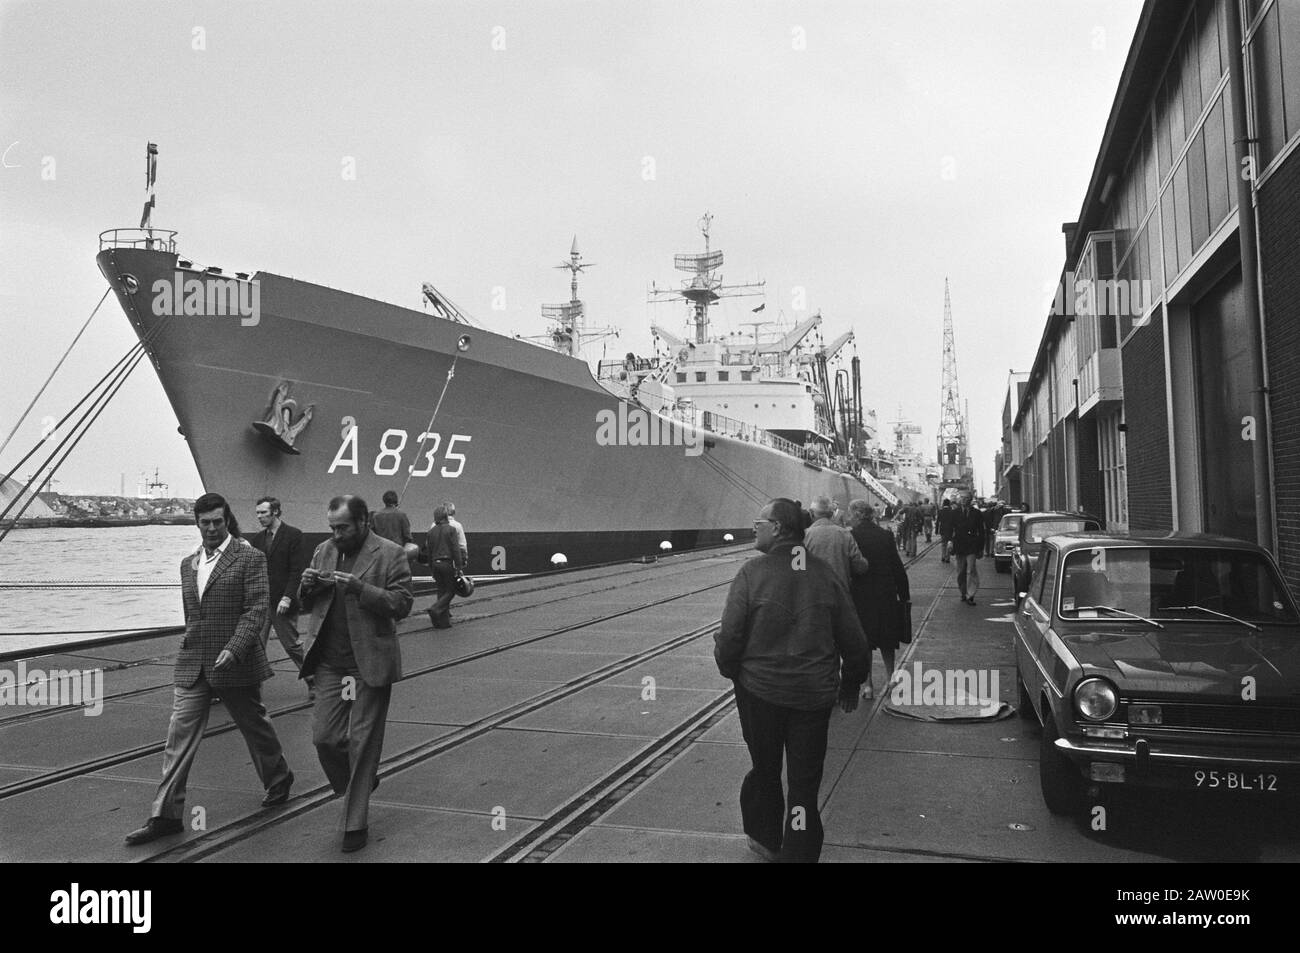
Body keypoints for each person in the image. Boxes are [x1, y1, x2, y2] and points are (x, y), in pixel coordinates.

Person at [125, 493, 294, 846]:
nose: (212, 528)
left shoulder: (250, 558)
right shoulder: (188, 564)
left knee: (254, 724)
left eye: (218, 521)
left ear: (226, 519)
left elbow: (257, 609)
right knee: (178, 738)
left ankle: (278, 777)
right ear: (197, 523)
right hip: (194, 664)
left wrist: (235, 647)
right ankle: (165, 815)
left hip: (235, 661)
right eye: (206, 523)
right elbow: (193, 617)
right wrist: (189, 646)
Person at [715, 498, 869, 863]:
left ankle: (766, 840)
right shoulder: (823, 575)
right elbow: (856, 643)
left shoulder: (752, 573)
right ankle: (799, 852)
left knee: (765, 771)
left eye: (760, 521)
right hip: (812, 698)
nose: (755, 527)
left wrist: (731, 669)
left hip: (760, 694)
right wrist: (850, 684)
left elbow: (731, 636)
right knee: (803, 784)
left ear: (779, 528)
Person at [299, 494, 413, 852]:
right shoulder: (324, 550)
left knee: (364, 743)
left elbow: (402, 603)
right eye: (332, 527)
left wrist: (360, 588)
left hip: (369, 664)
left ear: (364, 521)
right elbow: (307, 604)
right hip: (331, 664)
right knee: (325, 739)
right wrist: (306, 587)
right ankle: (360, 782)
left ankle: (354, 825)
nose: (336, 534)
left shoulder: (391, 553)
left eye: (343, 527)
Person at [847, 501, 911, 699]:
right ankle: (891, 677)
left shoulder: (851, 536)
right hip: (886, 592)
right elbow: (897, 566)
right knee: (886, 638)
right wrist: (904, 594)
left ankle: (868, 686)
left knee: (864, 641)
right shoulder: (885, 535)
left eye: (850, 514)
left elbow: (850, 567)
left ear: (857, 515)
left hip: (861, 594)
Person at [249, 496, 310, 696]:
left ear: (275, 512)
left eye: (263, 513)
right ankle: (253, 688)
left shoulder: (293, 535)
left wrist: (288, 597)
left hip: (283, 601)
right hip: (262, 601)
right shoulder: (257, 539)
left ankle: (314, 679)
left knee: (292, 645)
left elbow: (296, 570)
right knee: (255, 645)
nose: (259, 517)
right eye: (257, 513)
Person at [802, 495, 869, 588]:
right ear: (831, 514)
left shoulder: (802, 536)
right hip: (840, 593)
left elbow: (796, 569)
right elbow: (859, 567)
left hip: (813, 594)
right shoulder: (845, 534)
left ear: (811, 513)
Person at [425, 504, 464, 629]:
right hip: (446, 563)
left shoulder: (431, 532)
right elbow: (455, 549)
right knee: (450, 591)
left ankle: (442, 622)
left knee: (441, 591)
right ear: (445, 516)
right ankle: (435, 609)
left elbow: (429, 552)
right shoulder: (451, 529)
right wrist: (459, 566)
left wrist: (431, 568)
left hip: (435, 563)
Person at [950, 492, 985, 605]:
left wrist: (981, 548)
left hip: (972, 546)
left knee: (971, 570)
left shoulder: (977, 513)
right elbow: (951, 529)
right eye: (962, 498)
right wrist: (950, 541)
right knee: (961, 571)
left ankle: (970, 595)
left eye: (966, 498)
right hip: (959, 545)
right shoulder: (954, 513)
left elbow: (982, 532)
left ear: (970, 500)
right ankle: (963, 592)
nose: (964, 500)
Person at [371, 490, 415, 555]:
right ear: (396, 500)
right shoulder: (401, 515)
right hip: (397, 552)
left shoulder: (376, 516)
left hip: (382, 552)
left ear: (384, 500)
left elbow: (372, 536)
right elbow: (407, 536)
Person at [443, 500, 468, 566]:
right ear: (454, 512)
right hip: (453, 561)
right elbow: (462, 545)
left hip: (438, 561)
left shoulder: (434, 525)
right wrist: (464, 558)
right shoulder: (458, 525)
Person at [937, 498, 956, 563]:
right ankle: (947, 558)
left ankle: (943, 556)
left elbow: (938, 521)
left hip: (942, 529)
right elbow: (954, 522)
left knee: (943, 544)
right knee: (949, 543)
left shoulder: (940, 511)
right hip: (950, 529)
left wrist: (936, 530)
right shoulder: (952, 511)